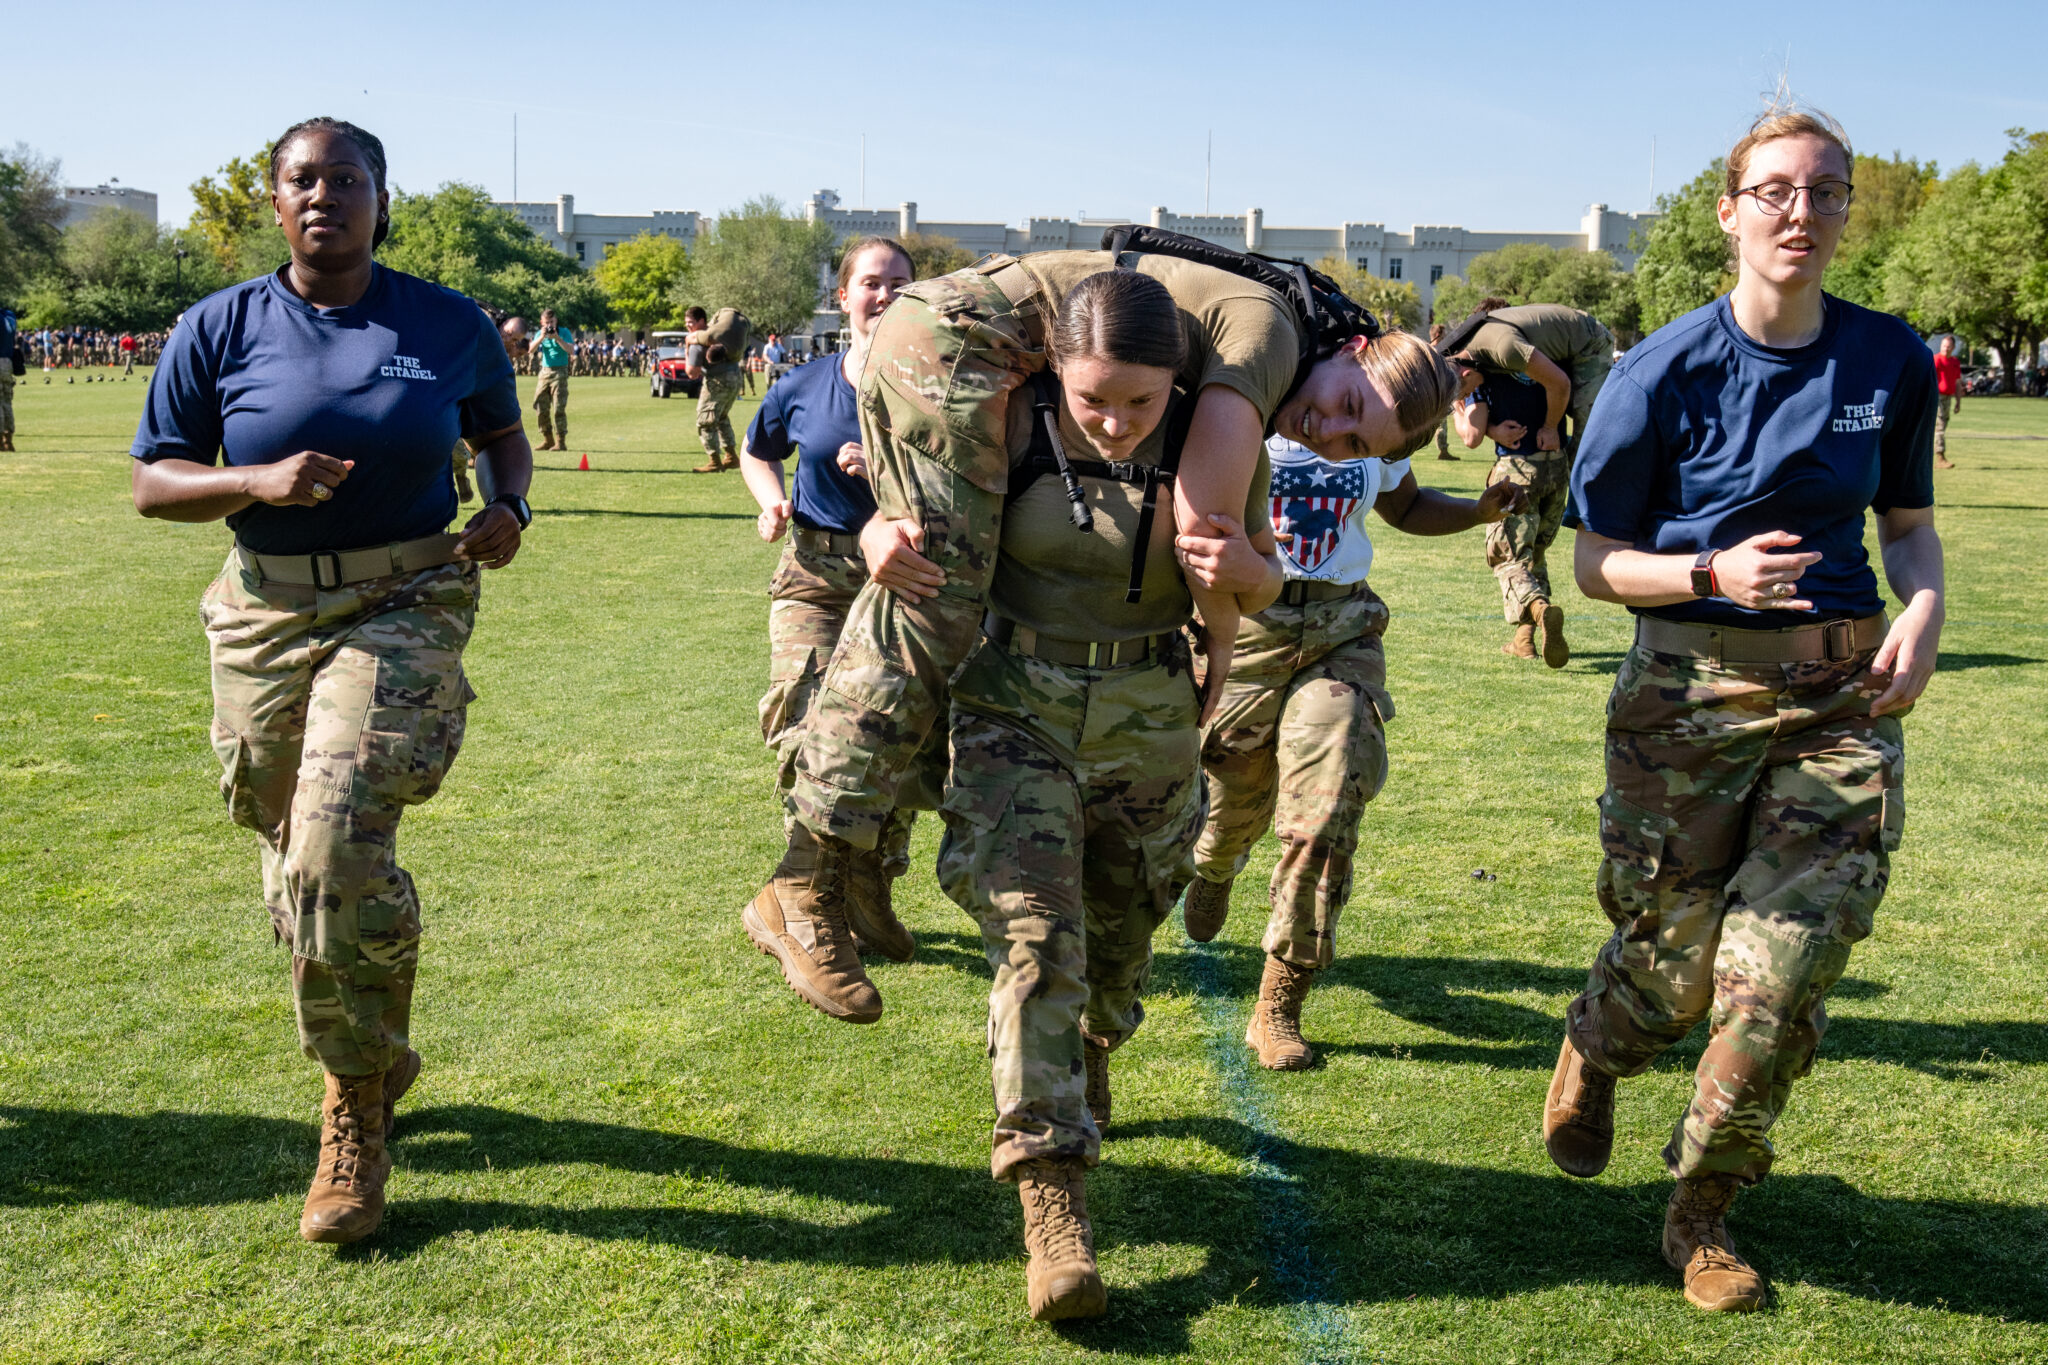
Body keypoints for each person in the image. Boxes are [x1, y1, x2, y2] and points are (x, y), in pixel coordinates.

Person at [742, 241, 1460, 1320]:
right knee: (1036, 939)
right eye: (1095, 399)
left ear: (1179, 380)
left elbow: (1253, 573)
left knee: (1120, 948)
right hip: (1014, 705)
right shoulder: (1012, 410)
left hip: (1146, 716)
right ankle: (1051, 1202)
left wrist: (1239, 581)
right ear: (1049, 372)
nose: (1116, 421)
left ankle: (1089, 1049)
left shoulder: (1225, 425)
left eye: (1139, 400)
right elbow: (884, 438)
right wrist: (885, 531)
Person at [1548, 104, 1943, 1315]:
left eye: (1825, 192)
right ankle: (1597, 1039)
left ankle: (1700, 1209)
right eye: (1774, 190)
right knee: (1674, 979)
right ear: (1728, 211)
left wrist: (1921, 612)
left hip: (1837, 697)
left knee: (1778, 975)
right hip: (1684, 696)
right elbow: (1591, 561)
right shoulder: (1658, 369)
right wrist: (1706, 575)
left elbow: (1907, 532)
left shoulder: (1885, 359)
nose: (1800, 213)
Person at [128, 116, 534, 1247]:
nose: (324, 198)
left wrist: (510, 506)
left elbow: (503, 436)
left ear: (379, 198)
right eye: (302, 181)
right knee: (284, 836)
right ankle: (379, 1009)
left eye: (346, 180)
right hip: (263, 605)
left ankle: (351, 1107)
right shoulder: (218, 328)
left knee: (330, 843)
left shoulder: (445, 324)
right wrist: (256, 477)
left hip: (407, 598)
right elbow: (155, 485)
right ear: (275, 203)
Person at [1185, 431, 1524, 1068]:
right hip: (1245, 628)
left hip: (1344, 628)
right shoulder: (1237, 406)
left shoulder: (1371, 414)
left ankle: (1278, 1003)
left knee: (1328, 802)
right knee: (1233, 803)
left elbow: (1406, 504)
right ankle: (1215, 863)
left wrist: (1477, 511)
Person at [740, 237, 924, 960]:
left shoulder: (939, 388)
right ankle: (810, 891)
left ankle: (871, 883)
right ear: (844, 295)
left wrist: (881, 467)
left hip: (901, 584)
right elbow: (759, 450)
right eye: (872, 283)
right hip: (816, 577)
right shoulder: (803, 384)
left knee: (899, 737)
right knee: (807, 723)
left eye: (901, 284)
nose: (885, 296)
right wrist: (771, 502)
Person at [1452, 366, 1574, 663]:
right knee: (1535, 554)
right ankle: (1524, 641)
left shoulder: (1485, 366)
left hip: (1517, 471)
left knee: (1507, 559)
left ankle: (1538, 608)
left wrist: (1458, 407)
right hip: (1557, 468)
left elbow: (1472, 436)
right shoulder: (1548, 355)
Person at [1443, 301, 1613, 460]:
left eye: (1466, 393)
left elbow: (1560, 383)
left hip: (1590, 341)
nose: (1470, 394)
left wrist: (1550, 428)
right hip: (1565, 344)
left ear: (1467, 374)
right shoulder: (1466, 354)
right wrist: (1492, 430)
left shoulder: (1505, 349)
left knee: (1587, 441)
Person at [684, 305, 745, 473]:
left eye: (690, 323)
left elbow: (692, 373)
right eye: (686, 323)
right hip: (735, 377)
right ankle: (731, 456)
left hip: (717, 382)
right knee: (721, 417)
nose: (688, 326)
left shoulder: (698, 342)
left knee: (705, 420)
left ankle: (714, 461)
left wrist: (686, 349)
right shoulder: (719, 335)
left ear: (701, 321)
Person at [527, 308, 571, 450]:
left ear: (556, 321)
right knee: (540, 405)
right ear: (542, 322)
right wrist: (541, 337)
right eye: (547, 323)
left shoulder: (564, 332)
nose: (550, 325)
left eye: (552, 322)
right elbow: (530, 350)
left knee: (558, 407)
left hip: (560, 372)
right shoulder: (540, 333)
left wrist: (557, 338)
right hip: (545, 372)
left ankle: (561, 441)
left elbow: (571, 350)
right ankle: (548, 439)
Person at [1931, 334, 1960, 470]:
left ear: (1953, 348)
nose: (1945, 349)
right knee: (1940, 426)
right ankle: (1940, 456)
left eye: (1948, 346)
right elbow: (1930, 380)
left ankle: (1937, 454)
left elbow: (1957, 382)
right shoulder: (1936, 360)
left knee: (1943, 423)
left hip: (1948, 397)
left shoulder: (1955, 362)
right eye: (1943, 346)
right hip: (1937, 396)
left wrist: (1958, 401)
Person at [1, 301, 18, 452]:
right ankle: (8, 440)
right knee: (7, 401)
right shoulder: (9, 317)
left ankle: (0, 439)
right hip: (7, 362)